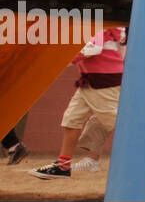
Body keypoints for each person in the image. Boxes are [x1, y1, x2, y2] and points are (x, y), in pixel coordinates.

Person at [28, 27, 126, 179]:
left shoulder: (96, 20)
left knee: (119, 123)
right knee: (72, 119)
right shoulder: (96, 21)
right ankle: (63, 166)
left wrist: (59, 62)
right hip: (92, 80)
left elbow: (92, 48)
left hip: (103, 81)